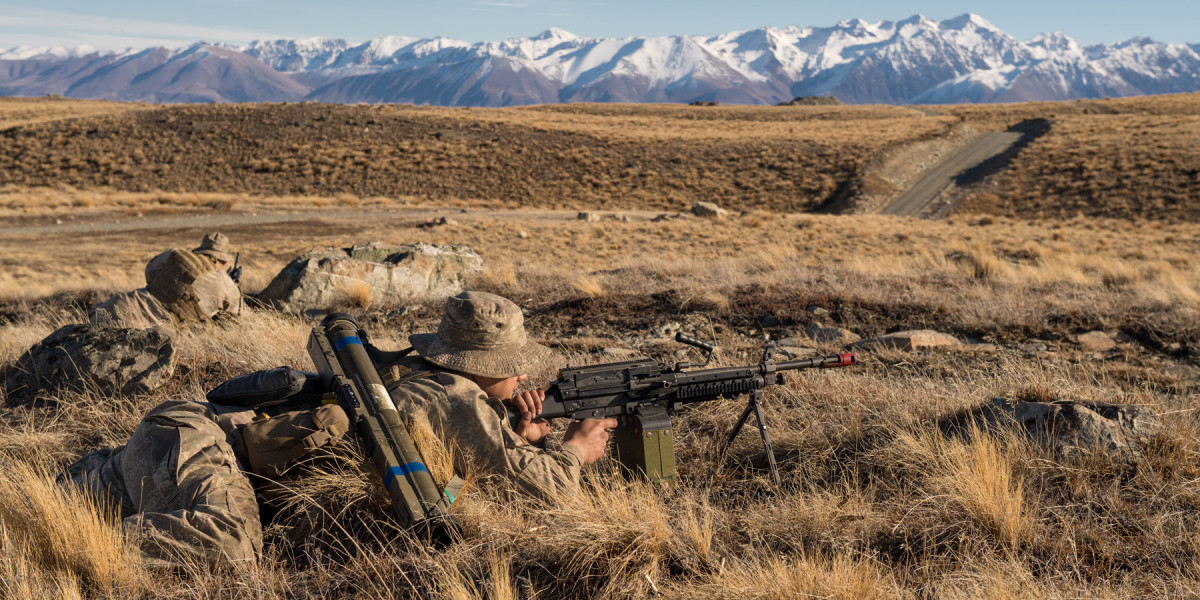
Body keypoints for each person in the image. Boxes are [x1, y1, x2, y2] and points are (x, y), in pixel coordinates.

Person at [65, 291, 613, 567]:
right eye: (514, 361)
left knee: (110, 487)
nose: (523, 373)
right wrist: (575, 448)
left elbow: (484, 460)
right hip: (203, 447)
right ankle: (78, 536)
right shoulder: (456, 395)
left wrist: (524, 433)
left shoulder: (423, 374)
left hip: (181, 432)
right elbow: (546, 488)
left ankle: (98, 481)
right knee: (231, 544)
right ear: (480, 364)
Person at [90, 232, 242, 329]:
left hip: (118, 304)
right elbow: (242, 320)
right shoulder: (224, 282)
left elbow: (149, 274)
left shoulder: (176, 254)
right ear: (223, 261)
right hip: (142, 328)